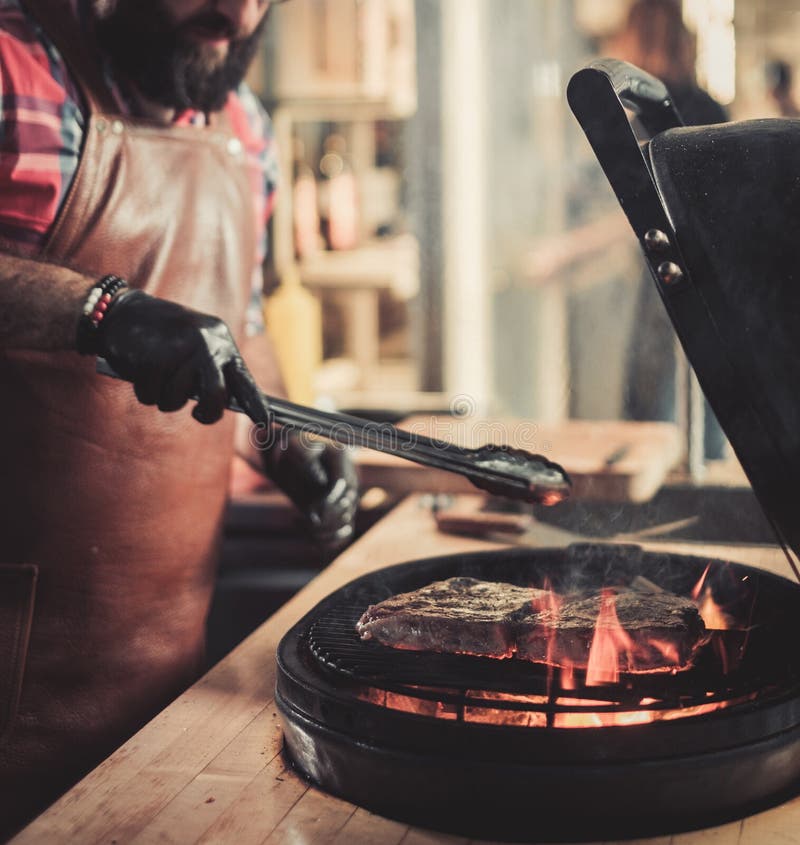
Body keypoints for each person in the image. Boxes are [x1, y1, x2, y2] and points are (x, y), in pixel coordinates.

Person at [0, 0, 358, 837]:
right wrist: (99, 310)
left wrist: (288, 442)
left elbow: (249, 321)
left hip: (170, 698)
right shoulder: (15, 72)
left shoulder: (242, 125)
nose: (236, 12)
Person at [609, 0, 729, 459]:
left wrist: (562, 253)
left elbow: (639, 209)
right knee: (702, 421)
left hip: (680, 283)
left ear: (643, 37)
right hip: (704, 288)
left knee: (662, 423)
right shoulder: (703, 104)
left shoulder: (670, 112)